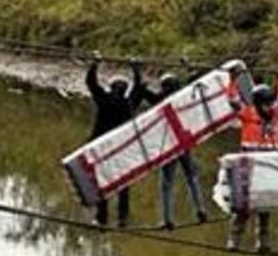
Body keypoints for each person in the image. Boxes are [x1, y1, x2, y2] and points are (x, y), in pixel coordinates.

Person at [132, 70, 210, 231]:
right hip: (183, 143)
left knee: (167, 185)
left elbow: (145, 93)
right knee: (192, 177)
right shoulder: (183, 96)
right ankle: (201, 211)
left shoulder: (160, 99)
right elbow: (193, 85)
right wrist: (189, 69)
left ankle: (167, 219)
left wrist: (139, 78)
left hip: (169, 146)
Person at [225, 71, 278, 253]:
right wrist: (232, 80)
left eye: (270, 104)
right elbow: (233, 100)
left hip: (269, 165)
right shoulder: (248, 115)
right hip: (249, 167)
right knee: (244, 206)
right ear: (257, 104)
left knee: (265, 206)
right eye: (266, 105)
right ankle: (234, 240)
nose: (269, 108)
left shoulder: (276, 116)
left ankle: (263, 243)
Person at [84, 58, 141, 227]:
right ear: (124, 90)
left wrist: (95, 63)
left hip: (100, 147)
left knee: (102, 181)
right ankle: (123, 218)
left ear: (111, 87)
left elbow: (90, 83)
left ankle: (102, 218)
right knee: (123, 182)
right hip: (120, 148)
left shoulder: (103, 99)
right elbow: (138, 86)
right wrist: (135, 67)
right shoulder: (128, 104)